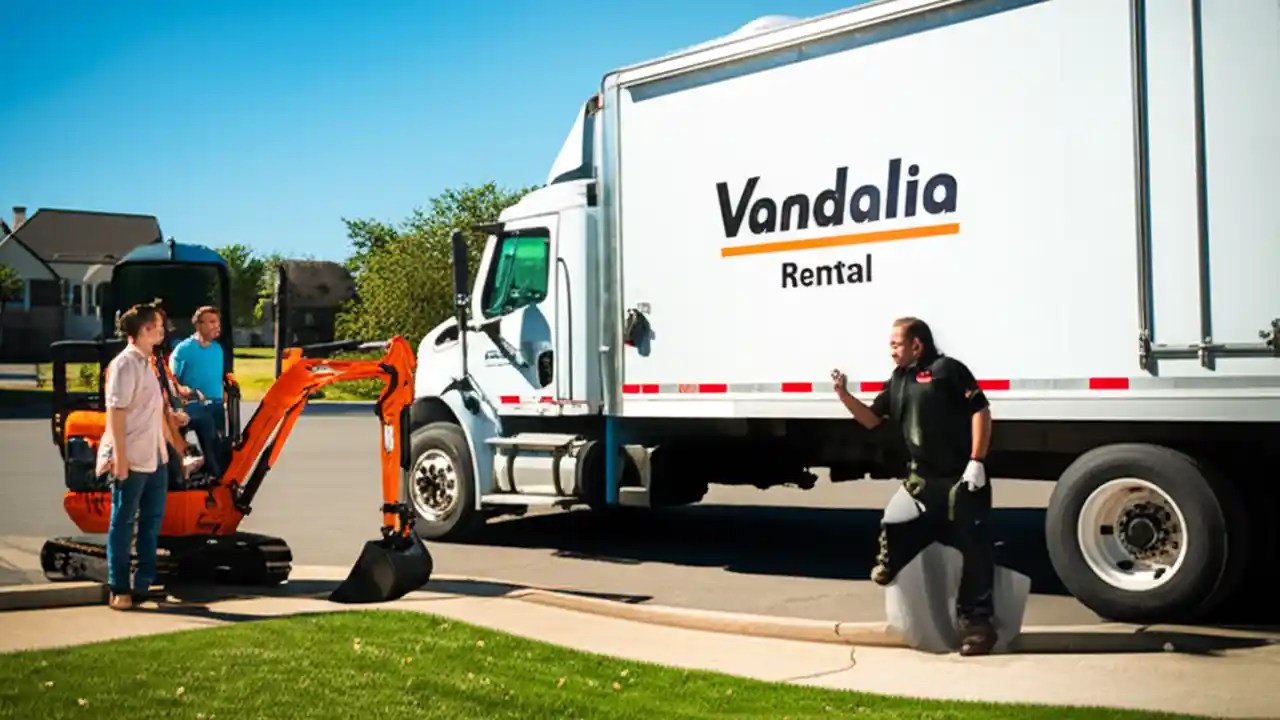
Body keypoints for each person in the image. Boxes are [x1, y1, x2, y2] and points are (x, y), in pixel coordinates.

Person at [831, 316, 996, 656]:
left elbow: (980, 410)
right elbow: (872, 420)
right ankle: (889, 562)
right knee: (893, 522)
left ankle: (977, 628)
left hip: (960, 479)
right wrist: (843, 395)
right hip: (920, 478)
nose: (891, 351)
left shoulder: (947, 370)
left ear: (916, 344)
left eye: (896, 344)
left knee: (973, 551)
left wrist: (976, 461)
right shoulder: (898, 379)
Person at [95, 302, 171, 611]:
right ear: (144, 330)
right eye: (158, 325)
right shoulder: (125, 364)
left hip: (155, 456)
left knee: (151, 523)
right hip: (133, 457)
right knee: (123, 522)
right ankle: (120, 588)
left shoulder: (146, 363)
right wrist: (121, 459)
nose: (163, 330)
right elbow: (116, 412)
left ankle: (143, 584)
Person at [169, 305, 226, 477]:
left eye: (217, 322)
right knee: (203, 447)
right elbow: (172, 380)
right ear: (198, 325)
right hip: (192, 405)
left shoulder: (218, 349)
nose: (216, 326)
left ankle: (216, 479)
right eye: (211, 322)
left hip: (216, 405)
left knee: (218, 450)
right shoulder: (184, 350)